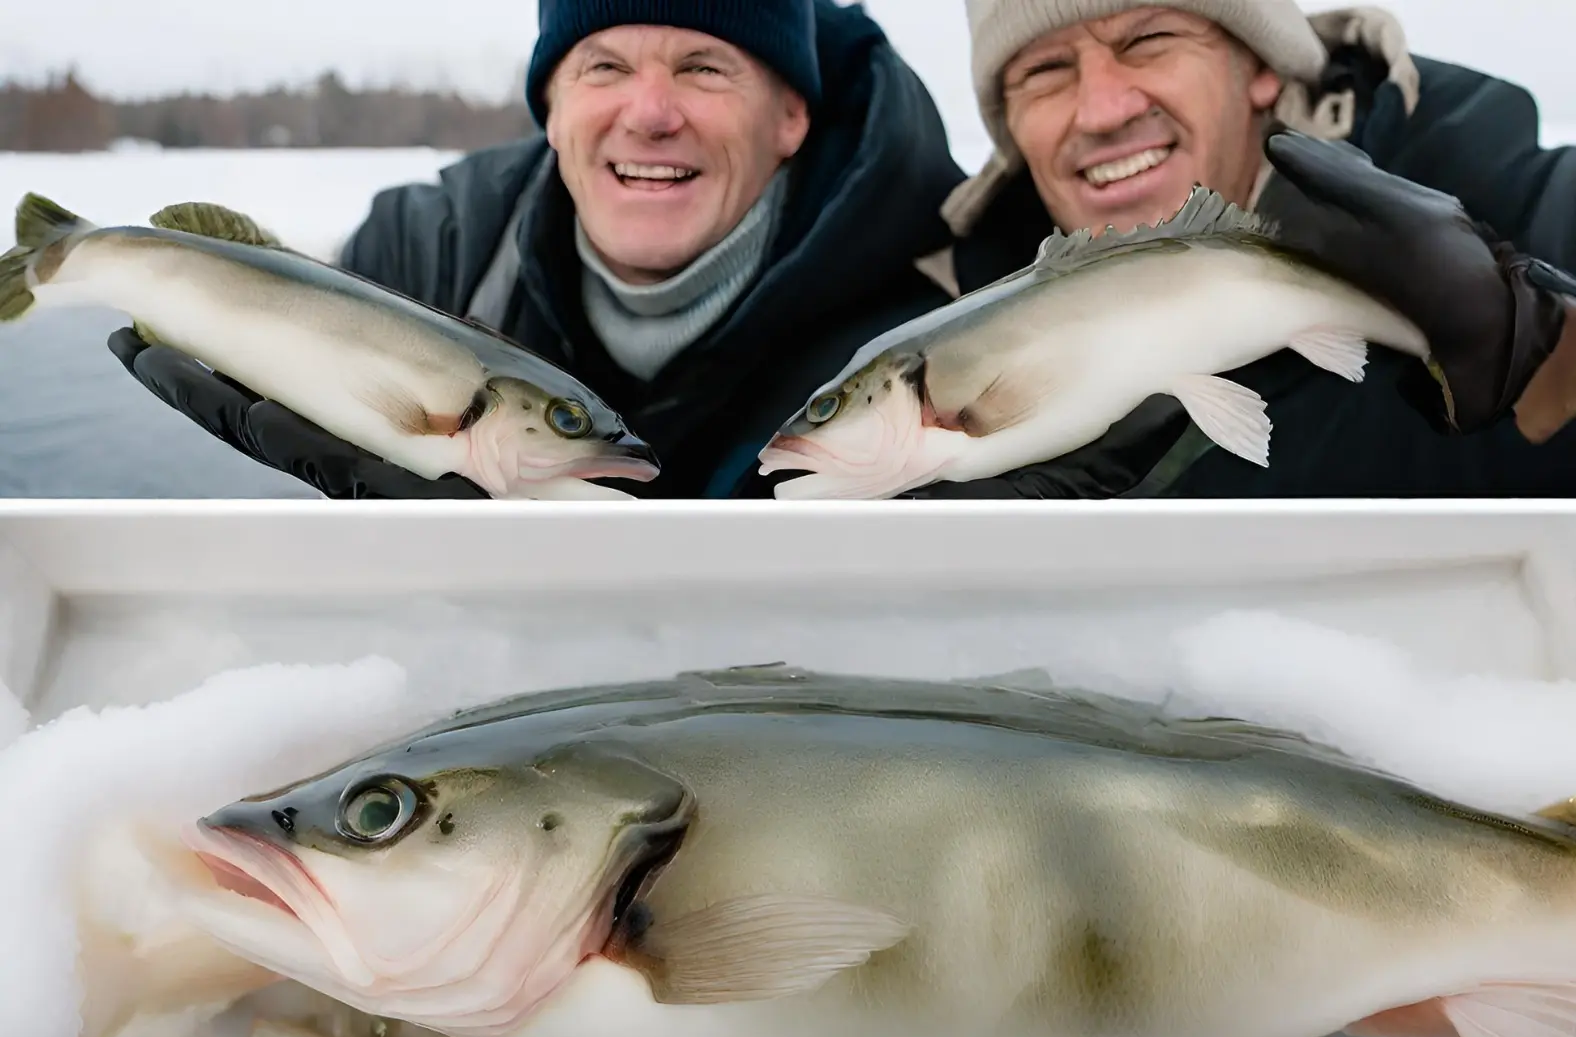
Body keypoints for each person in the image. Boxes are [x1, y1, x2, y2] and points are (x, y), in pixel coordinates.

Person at [108, 0, 966, 498]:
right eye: (603, 67)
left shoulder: (937, 316)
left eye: (705, 67)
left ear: (790, 119)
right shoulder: (423, 256)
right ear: (551, 111)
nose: (653, 112)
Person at [880, 2, 1576, 500]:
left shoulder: (1518, 194)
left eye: (1149, 37)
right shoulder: (938, 319)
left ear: (1262, 66)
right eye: (1045, 72)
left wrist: (1530, 332)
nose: (1101, 110)